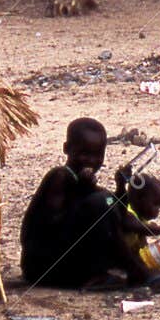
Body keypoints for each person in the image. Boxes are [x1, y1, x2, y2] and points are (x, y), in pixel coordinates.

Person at [20, 118, 132, 289]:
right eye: (84, 154)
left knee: (104, 201)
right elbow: (51, 225)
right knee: (100, 201)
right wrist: (82, 193)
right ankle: (101, 275)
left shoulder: (85, 184)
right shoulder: (59, 177)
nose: (91, 161)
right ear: (66, 149)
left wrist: (120, 188)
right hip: (43, 265)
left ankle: (122, 269)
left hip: (61, 260)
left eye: (97, 155)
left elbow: (112, 205)